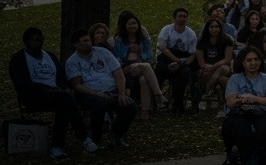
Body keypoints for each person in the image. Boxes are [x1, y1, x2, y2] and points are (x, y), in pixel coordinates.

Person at [9, 28, 95, 157]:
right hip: (33, 96)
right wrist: (48, 89)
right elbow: (23, 84)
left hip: (57, 95)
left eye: (41, 40)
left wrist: (60, 87)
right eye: (35, 40)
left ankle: (57, 147)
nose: (38, 43)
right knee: (65, 99)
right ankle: (84, 137)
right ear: (26, 41)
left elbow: (61, 78)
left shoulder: (50, 56)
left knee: (64, 104)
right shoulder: (18, 60)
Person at [66, 29, 138, 148]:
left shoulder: (103, 52)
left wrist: (121, 93)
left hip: (111, 91)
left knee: (130, 107)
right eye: (83, 41)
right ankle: (96, 139)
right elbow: (77, 85)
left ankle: (116, 134)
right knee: (99, 104)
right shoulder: (72, 62)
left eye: (88, 40)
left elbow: (118, 73)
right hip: (88, 94)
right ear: (75, 44)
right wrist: (97, 94)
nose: (87, 43)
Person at [222, 46, 266, 165]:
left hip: (261, 114)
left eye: (256, 59)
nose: (253, 63)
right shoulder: (235, 79)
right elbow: (230, 102)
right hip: (239, 114)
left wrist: (255, 99)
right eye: (249, 60)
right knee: (241, 129)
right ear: (242, 62)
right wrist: (242, 100)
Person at [109, 12, 164, 119]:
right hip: (125, 69)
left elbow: (149, 57)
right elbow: (116, 58)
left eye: (134, 23)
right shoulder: (119, 40)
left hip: (141, 67)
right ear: (125, 26)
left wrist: (139, 61)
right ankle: (158, 95)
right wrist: (126, 66)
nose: (132, 26)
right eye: (129, 24)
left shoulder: (143, 39)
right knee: (146, 67)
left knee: (144, 79)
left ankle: (145, 111)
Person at [156, 8, 199, 114]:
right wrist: (175, 60)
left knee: (185, 73)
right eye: (180, 16)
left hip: (183, 62)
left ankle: (177, 104)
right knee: (158, 71)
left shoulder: (191, 34)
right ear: (174, 18)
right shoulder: (166, 30)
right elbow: (163, 48)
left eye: (184, 16)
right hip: (166, 58)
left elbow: (192, 54)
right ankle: (155, 101)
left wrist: (180, 64)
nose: (182, 18)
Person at [194, 17, 234, 107]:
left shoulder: (227, 40)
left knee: (222, 68)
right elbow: (201, 63)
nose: (214, 29)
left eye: (216, 27)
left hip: (224, 67)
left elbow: (227, 59)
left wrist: (214, 66)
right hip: (207, 68)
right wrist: (210, 67)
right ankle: (218, 91)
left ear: (220, 28)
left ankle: (207, 89)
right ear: (207, 29)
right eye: (211, 27)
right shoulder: (201, 42)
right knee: (222, 79)